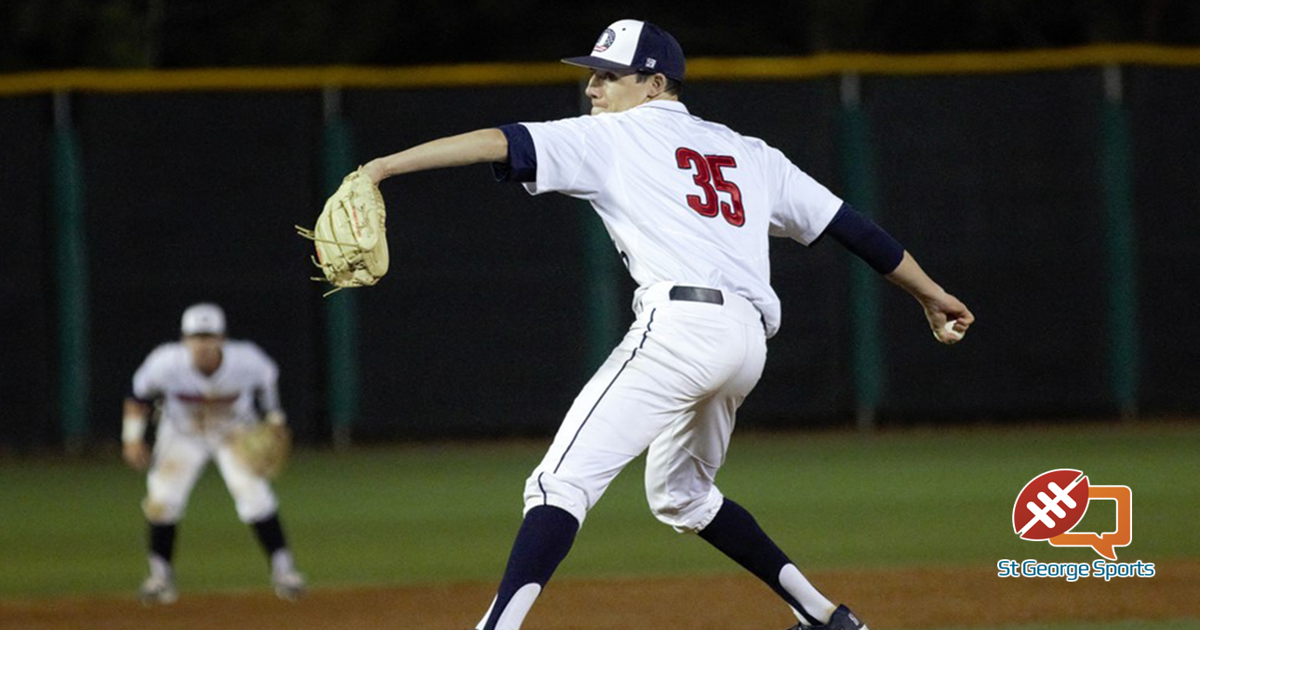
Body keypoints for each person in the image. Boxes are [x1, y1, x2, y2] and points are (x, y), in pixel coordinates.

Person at [360, 19, 973, 629]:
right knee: (683, 497)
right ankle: (823, 617)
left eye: (608, 76)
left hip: (682, 329)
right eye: (592, 75)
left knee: (558, 485)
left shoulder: (612, 136)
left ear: (654, 84)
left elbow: (498, 141)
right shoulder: (751, 152)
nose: (593, 88)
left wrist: (381, 167)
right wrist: (932, 294)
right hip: (746, 344)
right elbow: (852, 228)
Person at [122, 303, 306, 605]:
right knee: (163, 500)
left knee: (255, 496)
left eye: (209, 336)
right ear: (184, 340)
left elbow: (268, 383)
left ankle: (284, 571)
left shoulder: (247, 361)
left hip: (234, 434)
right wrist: (131, 439)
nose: (203, 344)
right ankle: (160, 576)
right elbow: (137, 396)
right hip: (181, 434)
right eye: (196, 337)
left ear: (223, 338)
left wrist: (275, 420)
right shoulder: (165, 362)